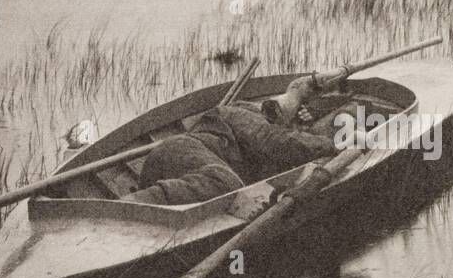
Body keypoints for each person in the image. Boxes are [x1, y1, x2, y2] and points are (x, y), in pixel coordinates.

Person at [124, 78, 359, 206]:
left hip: (186, 177)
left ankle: (146, 208)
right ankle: (129, 206)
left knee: (228, 190)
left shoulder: (268, 141)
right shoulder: (241, 112)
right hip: (180, 152)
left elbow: (285, 146)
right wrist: (334, 145)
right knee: (226, 183)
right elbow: (277, 142)